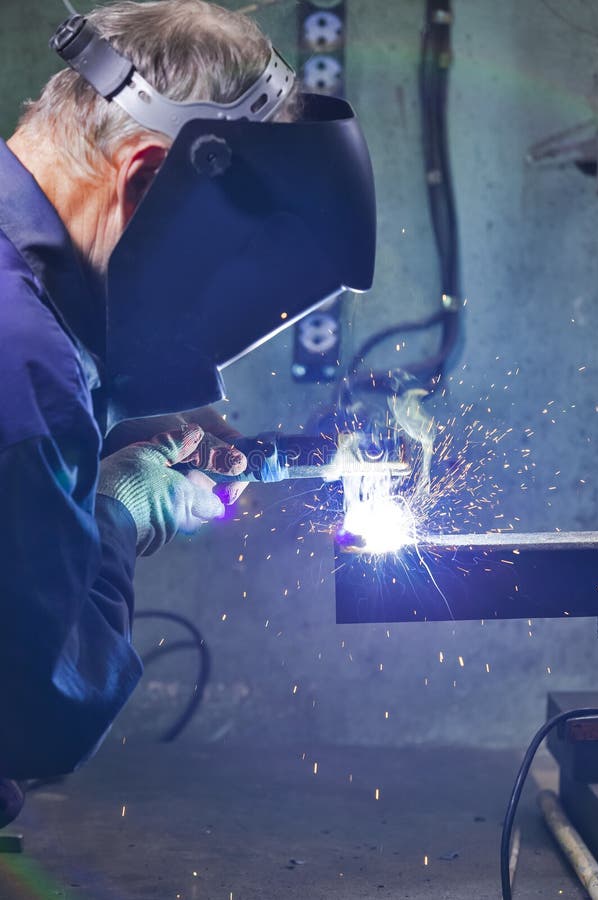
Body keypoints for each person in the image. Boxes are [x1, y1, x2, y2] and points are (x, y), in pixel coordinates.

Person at [0, 0, 300, 826]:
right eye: (215, 268)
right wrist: (120, 513)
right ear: (143, 180)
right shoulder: (27, 370)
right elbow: (34, 719)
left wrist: (108, 422)